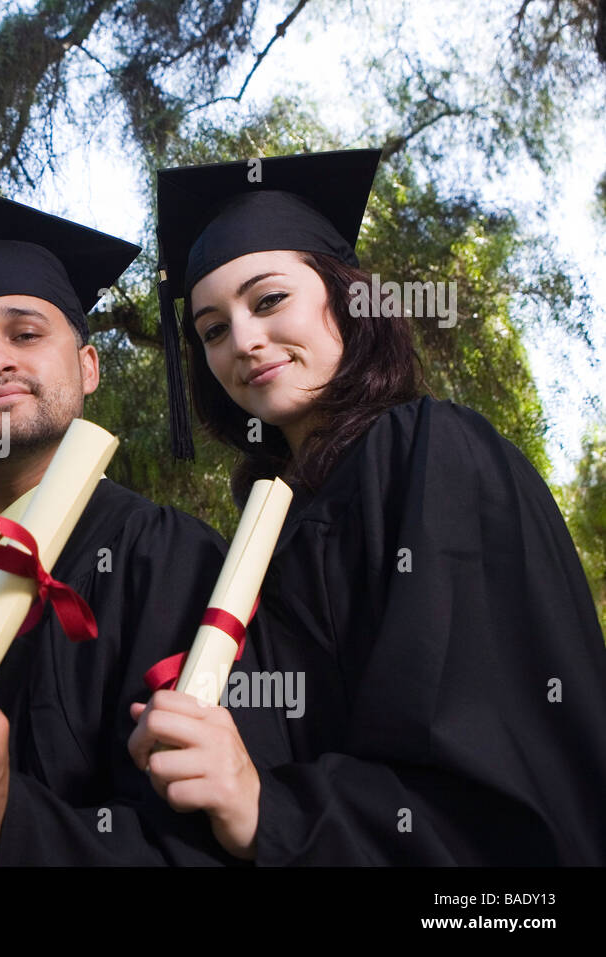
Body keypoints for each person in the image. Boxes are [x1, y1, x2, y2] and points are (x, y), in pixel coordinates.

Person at [131, 148, 606, 864]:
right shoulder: (267, 528)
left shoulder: (431, 451)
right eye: (212, 330)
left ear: (349, 298)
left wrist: (268, 808)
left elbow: (482, 766)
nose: (245, 342)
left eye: (268, 300)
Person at [0, 184, 290, 865]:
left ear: (89, 366)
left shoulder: (174, 559)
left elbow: (208, 843)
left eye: (26, 333)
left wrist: (2, 832)